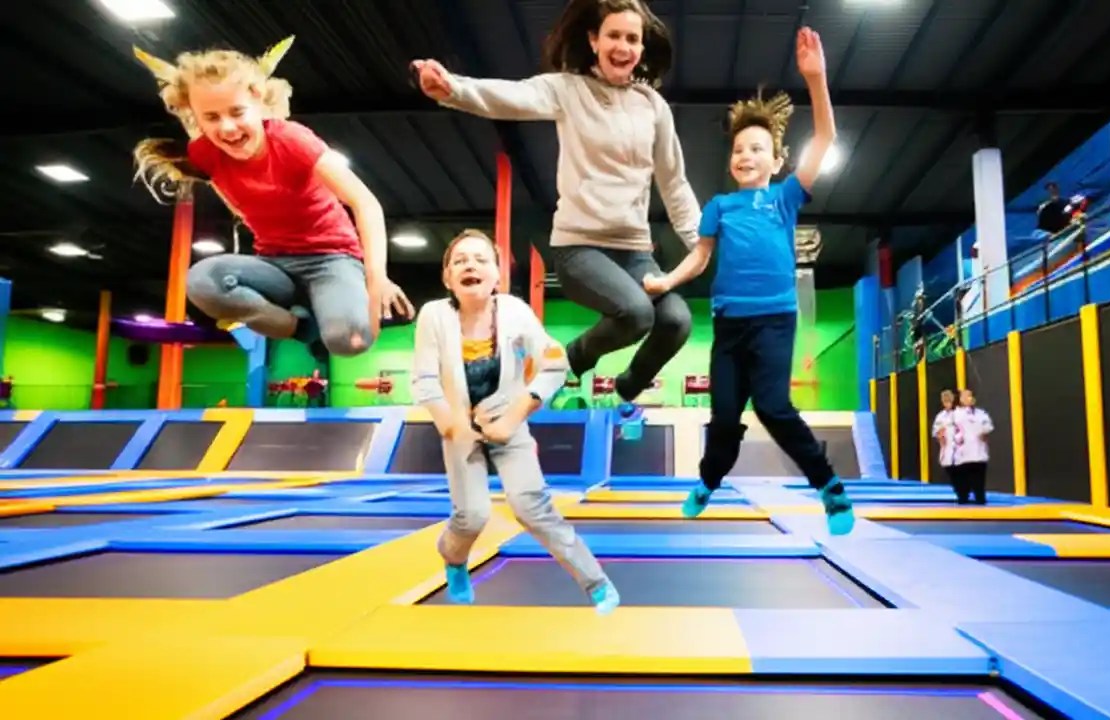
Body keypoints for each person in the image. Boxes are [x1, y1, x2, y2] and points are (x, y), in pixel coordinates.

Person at [410, 0, 701, 425]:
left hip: (634, 251)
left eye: (633, 39)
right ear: (594, 40)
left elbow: (674, 183)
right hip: (579, 247)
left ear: (642, 46)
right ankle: (566, 362)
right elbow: (512, 96)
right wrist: (452, 88)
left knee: (675, 321)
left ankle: (623, 392)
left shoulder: (652, 107)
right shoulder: (569, 89)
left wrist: (701, 244)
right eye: (614, 36)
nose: (623, 47)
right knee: (637, 313)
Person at [641, 27, 854, 535]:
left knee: (774, 406)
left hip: (776, 321)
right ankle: (709, 480)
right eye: (739, 148)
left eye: (757, 148)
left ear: (776, 161)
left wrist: (816, 78)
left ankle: (828, 486)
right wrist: (665, 282)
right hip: (730, 326)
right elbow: (700, 257)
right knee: (723, 418)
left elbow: (825, 138)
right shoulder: (720, 207)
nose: (745, 155)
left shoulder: (784, 197)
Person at [130, 37, 414, 360]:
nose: (228, 128)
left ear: (257, 99)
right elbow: (236, 198)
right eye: (211, 117)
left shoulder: (292, 140)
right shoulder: (205, 154)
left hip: (331, 259)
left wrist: (378, 281)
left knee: (349, 340)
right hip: (275, 264)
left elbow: (365, 203)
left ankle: (336, 307)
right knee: (201, 283)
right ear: (194, 115)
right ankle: (302, 328)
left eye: (237, 112)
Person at [411, 229, 620, 614]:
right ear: (447, 278)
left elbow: (555, 365)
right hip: (458, 425)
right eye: (459, 261)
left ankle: (596, 583)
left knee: (532, 506)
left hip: (508, 420)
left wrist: (512, 417)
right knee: (471, 516)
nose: (470, 265)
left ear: (497, 276)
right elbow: (424, 380)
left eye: (480, 260)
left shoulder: (514, 311)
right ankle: (454, 560)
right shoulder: (434, 316)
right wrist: (454, 427)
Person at [946, 388, 994, 504]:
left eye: (971, 396)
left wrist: (984, 432)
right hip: (962, 453)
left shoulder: (981, 413)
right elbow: (948, 430)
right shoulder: (954, 415)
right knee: (963, 480)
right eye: (966, 396)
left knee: (979, 479)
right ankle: (963, 497)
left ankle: (980, 498)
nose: (970, 398)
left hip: (979, 452)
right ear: (961, 399)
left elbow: (988, 427)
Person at [932, 388, 959, 491]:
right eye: (945, 402)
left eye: (949, 401)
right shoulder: (940, 417)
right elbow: (936, 431)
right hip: (946, 445)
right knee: (948, 464)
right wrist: (939, 436)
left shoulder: (957, 414)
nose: (947, 404)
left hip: (957, 445)